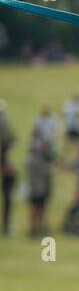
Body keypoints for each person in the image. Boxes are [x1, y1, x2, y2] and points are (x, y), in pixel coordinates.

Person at [26, 127, 55, 236]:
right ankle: (36, 228)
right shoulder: (36, 161)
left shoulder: (29, 161)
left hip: (34, 188)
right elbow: (47, 172)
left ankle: (35, 228)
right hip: (39, 189)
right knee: (38, 209)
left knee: (36, 209)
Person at [0, 101, 15, 235]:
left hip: (5, 165)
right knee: (7, 197)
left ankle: (6, 225)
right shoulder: (4, 123)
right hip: (4, 167)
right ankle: (6, 225)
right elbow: (10, 140)